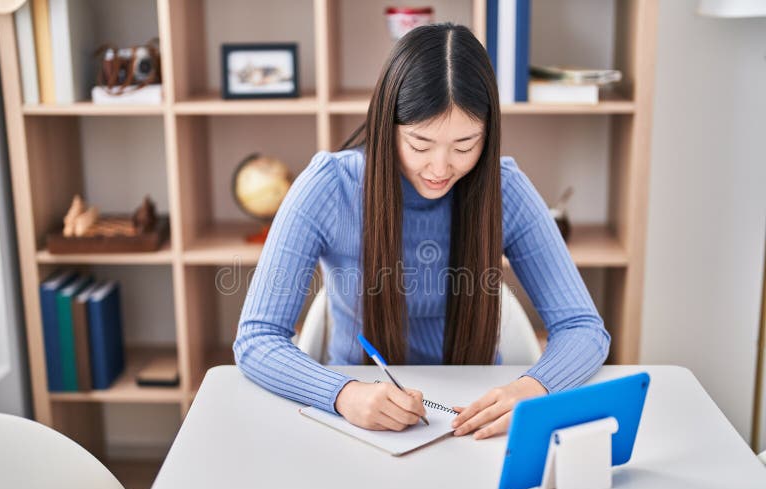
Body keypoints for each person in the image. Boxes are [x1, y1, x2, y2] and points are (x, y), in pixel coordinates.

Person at [233, 23, 609, 440]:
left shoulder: (505, 189)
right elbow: (257, 339)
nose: (440, 168)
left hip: (474, 420)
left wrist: (534, 388)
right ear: (386, 125)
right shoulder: (329, 186)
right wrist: (343, 394)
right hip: (361, 420)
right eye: (419, 144)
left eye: (465, 146)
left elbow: (583, 328)